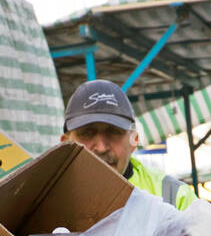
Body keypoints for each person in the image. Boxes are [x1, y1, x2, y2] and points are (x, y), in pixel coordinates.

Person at [59, 79, 196, 210]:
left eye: (113, 132)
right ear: (66, 145)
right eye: (87, 133)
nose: (101, 147)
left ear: (134, 141)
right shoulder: (45, 197)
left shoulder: (174, 197)